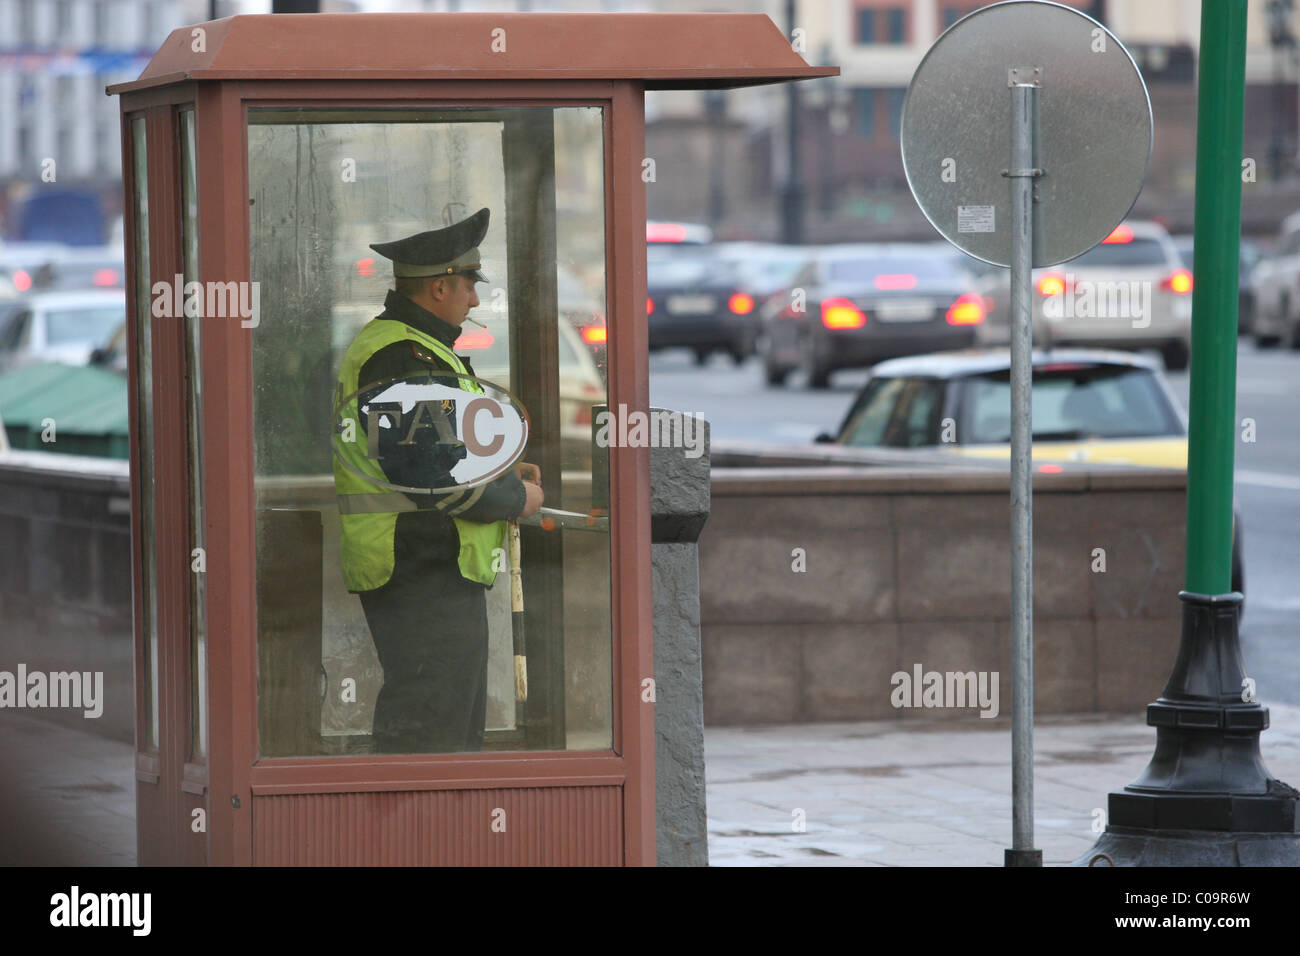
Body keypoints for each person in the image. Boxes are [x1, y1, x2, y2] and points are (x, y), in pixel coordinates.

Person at [332, 207, 544, 754]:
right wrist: (518, 498)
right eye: (470, 284)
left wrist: (498, 468)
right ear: (441, 286)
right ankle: (408, 837)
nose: (475, 299)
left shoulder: (417, 348)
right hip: (420, 566)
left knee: (449, 722)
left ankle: (431, 836)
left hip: (430, 565)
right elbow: (431, 476)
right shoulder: (403, 354)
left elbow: (439, 452)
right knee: (430, 730)